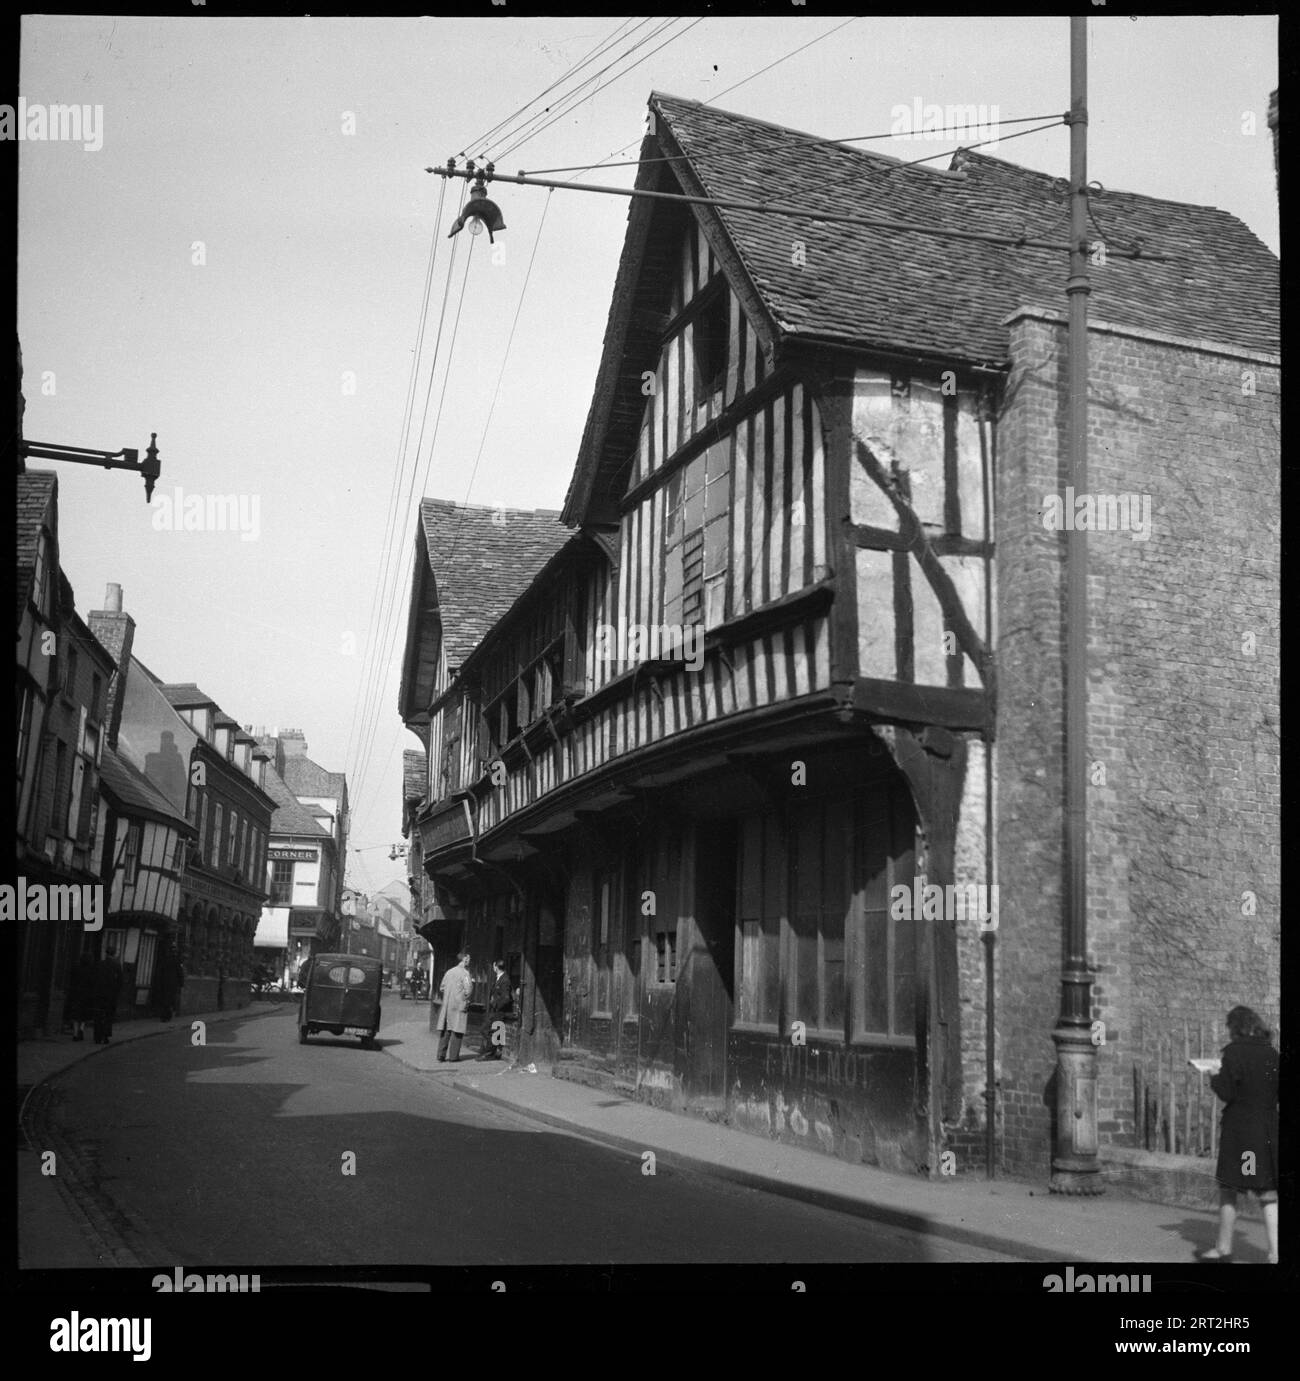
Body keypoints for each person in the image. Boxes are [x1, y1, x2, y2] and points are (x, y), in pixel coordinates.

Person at [1198, 1005, 1279, 1264]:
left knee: (1231, 1188)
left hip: (1242, 1135)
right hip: (1267, 1129)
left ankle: (1223, 1249)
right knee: (1267, 1192)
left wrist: (1213, 1074)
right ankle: (1276, 1252)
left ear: (1236, 1027)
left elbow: (1227, 1093)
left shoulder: (1233, 1053)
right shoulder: (1273, 1054)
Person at [435, 950, 472, 1063]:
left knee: (446, 1030)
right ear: (464, 959)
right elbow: (469, 990)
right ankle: (453, 1057)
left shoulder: (449, 972)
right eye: (469, 958)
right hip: (459, 1006)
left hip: (447, 1005)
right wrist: (463, 998)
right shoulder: (465, 973)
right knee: (457, 1030)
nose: (469, 961)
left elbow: (442, 987)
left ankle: (441, 1056)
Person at [478, 959, 513, 1061]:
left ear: (496, 967)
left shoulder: (505, 980)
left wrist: (496, 1004)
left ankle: (490, 1053)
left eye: (494, 966)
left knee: (487, 1030)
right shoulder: (499, 978)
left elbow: (506, 998)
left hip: (499, 1011)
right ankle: (490, 1052)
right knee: (489, 1030)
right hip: (495, 1011)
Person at [92, 942, 124, 1045]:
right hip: (111, 996)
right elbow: (120, 981)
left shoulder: (100, 964)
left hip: (99, 994)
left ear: (106, 953)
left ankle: (97, 1037)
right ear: (114, 954)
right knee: (108, 1016)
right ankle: (105, 1036)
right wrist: (117, 992)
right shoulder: (117, 965)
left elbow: (95, 979)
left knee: (98, 1015)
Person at [66, 948, 96, 1041]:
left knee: (76, 1015)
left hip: (76, 994)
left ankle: (75, 1034)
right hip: (87, 995)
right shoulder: (92, 969)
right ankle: (81, 1029)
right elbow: (93, 983)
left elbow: (71, 980)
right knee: (84, 1014)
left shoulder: (76, 967)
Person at [154, 938, 184, 1021]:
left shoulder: (165, 958)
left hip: (164, 982)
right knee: (170, 999)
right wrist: (181, 983)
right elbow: (180, 972)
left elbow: (160, 970)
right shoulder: (177, 960)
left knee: (164, 998)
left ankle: (164, 1015)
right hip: (173, 983)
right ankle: (167, 1015)